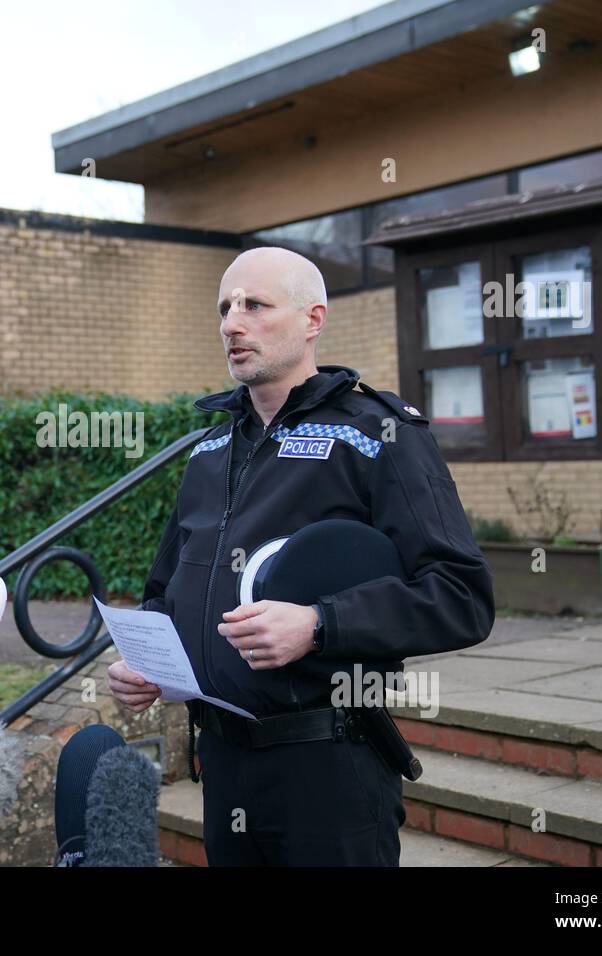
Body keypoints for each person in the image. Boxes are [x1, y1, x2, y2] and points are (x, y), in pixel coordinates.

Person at [107, 247, 494, 867]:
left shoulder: (377, 434)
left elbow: (461, 596)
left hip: (329, 768)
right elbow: (167, 588)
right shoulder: (209, 450)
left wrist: (320, 624)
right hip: (224, 765)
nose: (232, 323)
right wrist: (148, 660)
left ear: (313, 319)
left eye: (255, 305)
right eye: (225, 308)